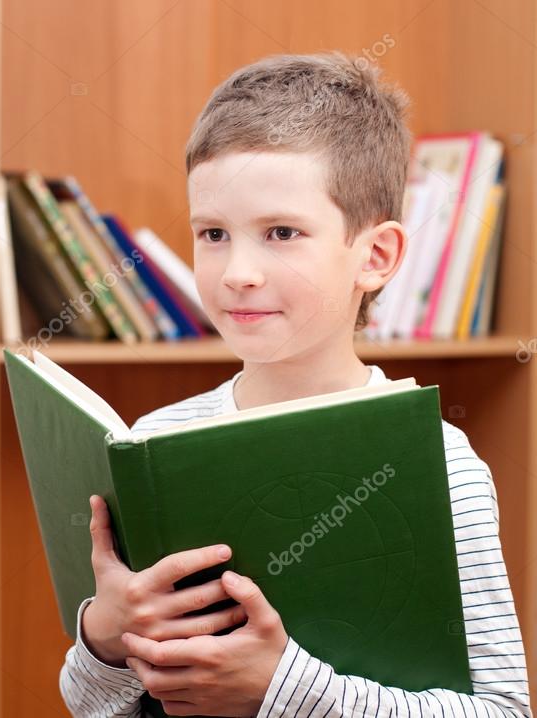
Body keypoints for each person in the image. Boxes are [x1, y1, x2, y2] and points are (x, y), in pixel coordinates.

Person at [58, 50, 531, 717]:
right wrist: (102, 638)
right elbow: (89, 704)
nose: (236, 272)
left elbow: (504, 710)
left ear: (375, 256)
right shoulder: (153, 445)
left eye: (280, 232)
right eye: (213, 234)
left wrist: (279, 689)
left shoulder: (438, 461)